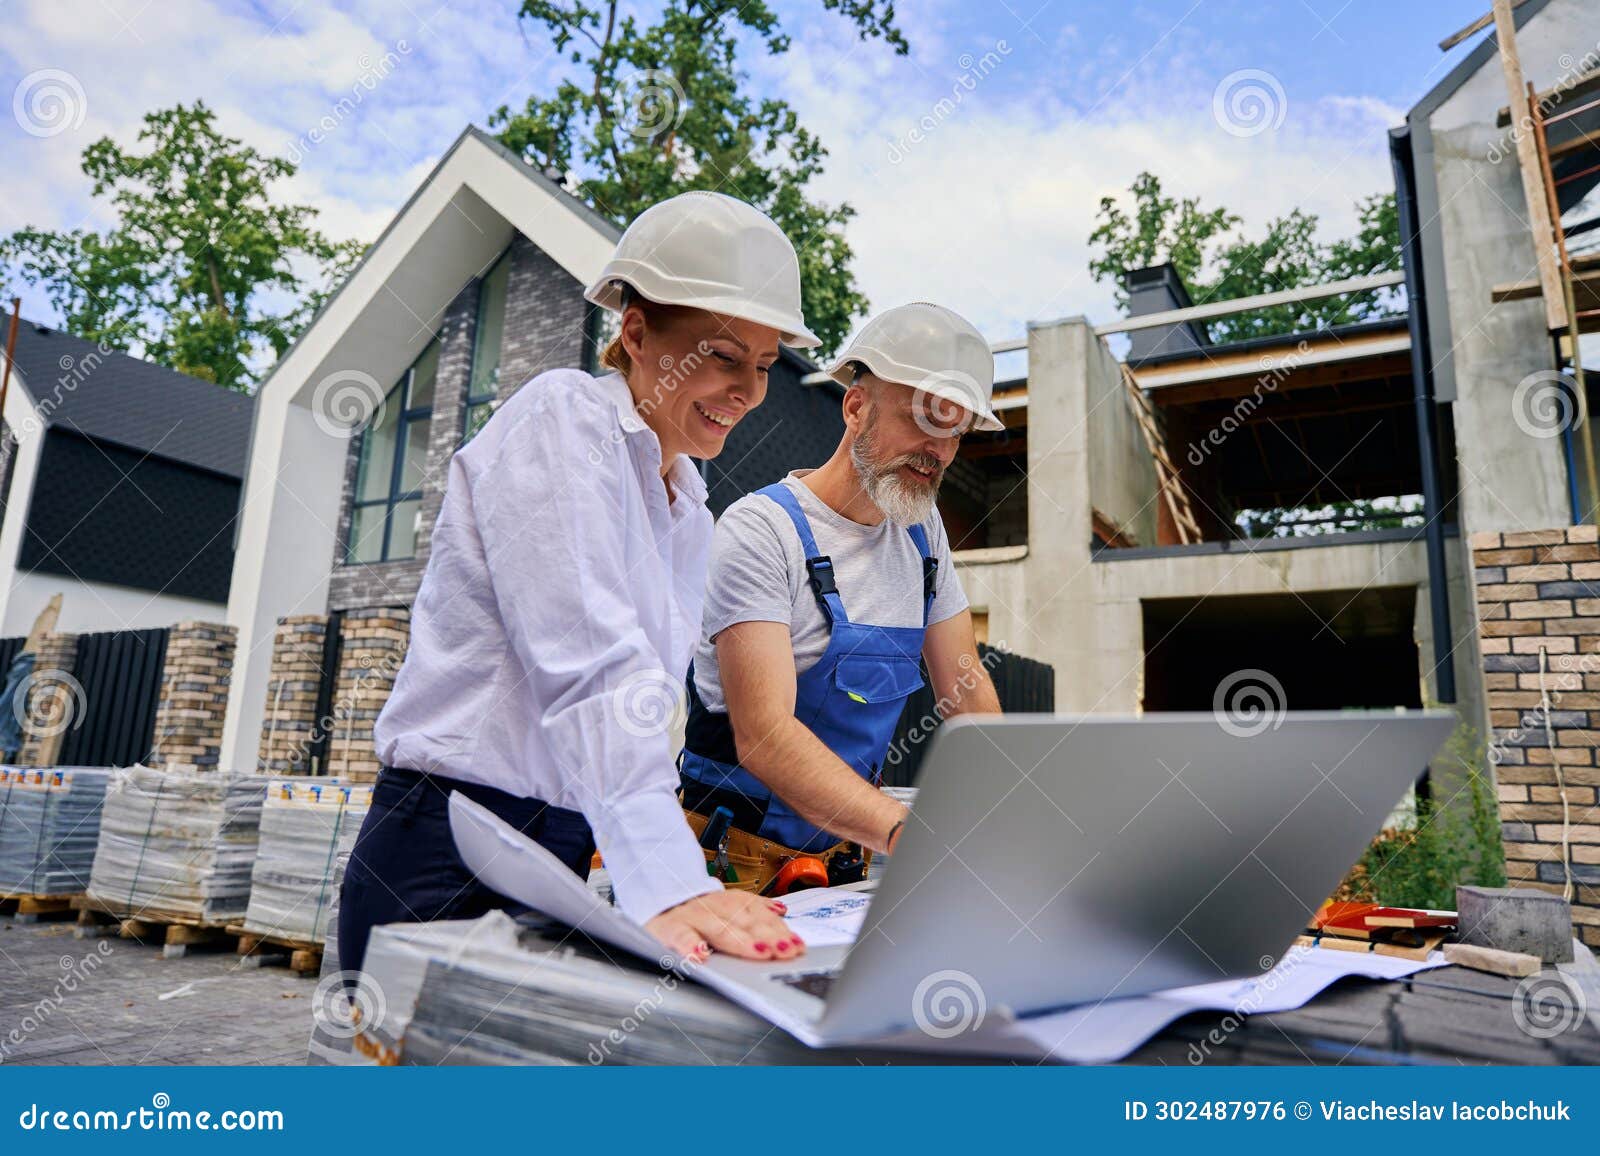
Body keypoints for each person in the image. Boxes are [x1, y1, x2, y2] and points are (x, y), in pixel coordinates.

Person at [339, 191, 818, 972]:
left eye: (764, 367)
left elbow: (646, 702)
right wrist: (666, 881)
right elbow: (592, 663)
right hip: (448, 843)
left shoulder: (688, 509)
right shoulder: (561, 423)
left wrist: (668, 856)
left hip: (557, 844)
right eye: (726, 357)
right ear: (635, 333)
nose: (749, 391)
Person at [679, 303, 1004, 892]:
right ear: (856, 407)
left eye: (955, 432)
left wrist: (1016, 807)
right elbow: (765, 735)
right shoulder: (760, 530)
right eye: (924, 421)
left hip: (841, 867)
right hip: (729, 868)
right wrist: (909, 834)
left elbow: (966, 684)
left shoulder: (922, 537)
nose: (939, 450)